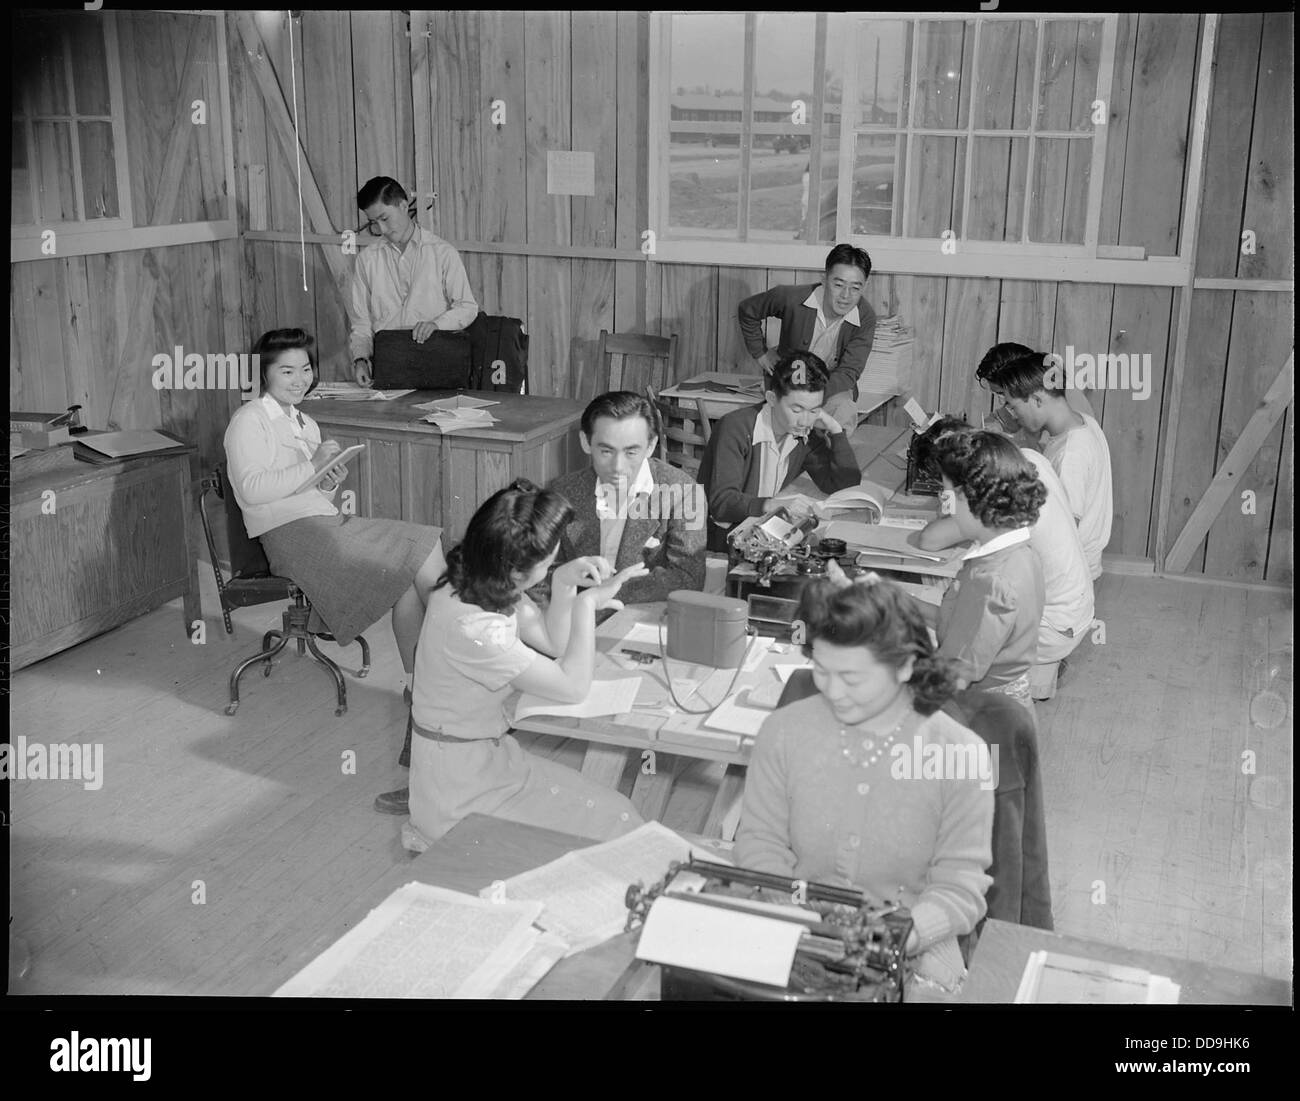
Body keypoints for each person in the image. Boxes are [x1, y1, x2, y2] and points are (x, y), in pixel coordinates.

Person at [735, 573, 994, 999]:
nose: (832, 691)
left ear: (906, 666)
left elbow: (960, 887)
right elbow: (760, 842)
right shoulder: (783, 732)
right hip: (795, 930)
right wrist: (791, 917)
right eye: (821, 669)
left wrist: (897, 938)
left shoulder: (960, 754)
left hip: (913, 944)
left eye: (853, 678)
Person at [223, 328, 446, 814]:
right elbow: (254, 490)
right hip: (291, 539)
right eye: (287, 370)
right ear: (263, 373)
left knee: (414, 565)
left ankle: (419, 681)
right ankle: (458, 656)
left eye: (305, 369)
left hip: (322, 521)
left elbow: (306, 491)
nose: (299, 379)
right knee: (424, 545)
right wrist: (311, 470)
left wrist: (326, 478)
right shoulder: (248, 421)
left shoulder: (303, 421)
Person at [403, 480, 647, 850]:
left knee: (617, 814)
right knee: (616, 820)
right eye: (548, 563)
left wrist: (563, 583)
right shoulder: (476, 630)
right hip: (460, 793)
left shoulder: (471, 579)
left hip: (480, 763)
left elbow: (553, 642)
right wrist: (585, 606)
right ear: (516, 572)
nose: (553, 564)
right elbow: (572, 686)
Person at [914, 416, 1094, 701]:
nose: (945, 500)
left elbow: (931, 539)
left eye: (947, 491)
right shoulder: (1024, 463)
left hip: (1056, 627)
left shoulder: (993, 575)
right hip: (1074, 606)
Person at [544, 391, 706, 603]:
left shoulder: (685, 494)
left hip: (641, 617)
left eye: (631, 452)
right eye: (606, 451)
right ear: (585, 442)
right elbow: (541, 572)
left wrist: (610, 591)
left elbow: (687, 578)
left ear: (651, 446)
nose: (618, 467)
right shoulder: (562, 491)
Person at [929, 431, 1047, 716]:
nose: (944, 508)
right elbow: (964, 622)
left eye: (945, 497)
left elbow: (954, 674)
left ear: (969, 498)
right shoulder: (1020, 554)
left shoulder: (990, 581)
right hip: (1007, 710)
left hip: (981, 719)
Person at [698, 352, 862, 552]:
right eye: (796, 409)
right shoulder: (735, 427)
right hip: (721, 541)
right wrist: (770, 505)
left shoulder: (804, 435)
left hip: (765, 533)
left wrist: (836, 430)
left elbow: (844, 486)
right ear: (772, 399)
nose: (805, 421)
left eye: (814, 411)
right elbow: (721, 502)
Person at [980, 348, 1113, 580]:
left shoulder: (1072, 453)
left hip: (1067, 573)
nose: (1011, 414)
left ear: (1037, 399)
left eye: (1013, 406)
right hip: (1073, 564)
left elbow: (1063, 532)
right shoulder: (1081, 425)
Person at [348, 176, 478, 386]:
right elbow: (361, 322)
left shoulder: (443, 253)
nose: (381, 229)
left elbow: (467, 307)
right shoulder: (367, 260)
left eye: (385, 218)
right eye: (374, 223)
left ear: (403, 205)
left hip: (439, 367)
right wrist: (361, 359)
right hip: (389, 371)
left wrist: (437, 324)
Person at [737, 243, 877, 430]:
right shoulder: (791, 298)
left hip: (830, 389)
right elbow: (748, 310)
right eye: (838, 284)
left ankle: (835, 457)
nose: (845, 295)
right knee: (782, 425)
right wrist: (761, 353)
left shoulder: (865, 316)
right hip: (788, 385)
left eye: (855, 288)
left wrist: (813, 397)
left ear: (865, 286)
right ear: (824, 279)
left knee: (845, 412)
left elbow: (849, 372)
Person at [975, 341, 1095, 444]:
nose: (1001, 400)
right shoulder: (1030, 394)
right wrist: (991, 428)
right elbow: (998, 420)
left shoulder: (1064, 411)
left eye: (1002, 393)